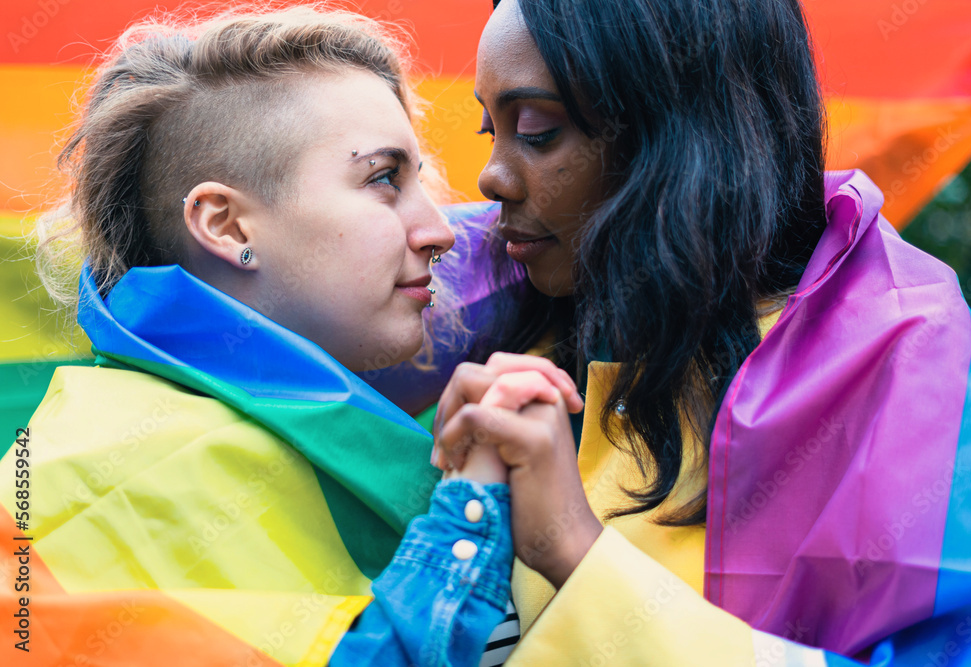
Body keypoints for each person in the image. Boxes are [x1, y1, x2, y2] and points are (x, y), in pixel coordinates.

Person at [418, 0, 971, 664]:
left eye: (537, 129)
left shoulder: (907, 353)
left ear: (678, 126)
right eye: (489, 129)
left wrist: (578, 555)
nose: (489, 177)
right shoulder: (487, 292)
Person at [0, 7, 579, 666]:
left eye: (419, 177)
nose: (440, 230)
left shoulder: (253, 406)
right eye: (383, 178)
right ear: (227, 227)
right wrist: (470, 504)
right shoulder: (115, 466)